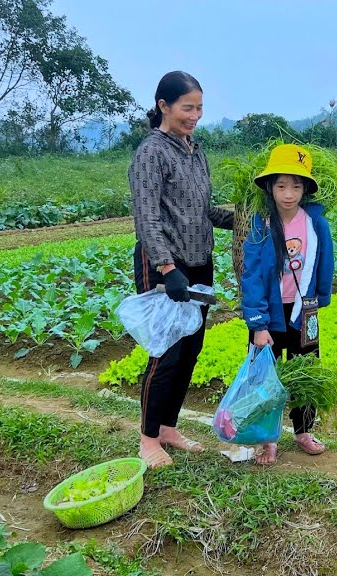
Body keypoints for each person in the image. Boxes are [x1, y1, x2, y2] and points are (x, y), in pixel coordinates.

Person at [128, 70, 233, 468]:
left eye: (200, 108)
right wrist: (167, 267)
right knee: (166, 352)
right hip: (165, 266)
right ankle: (148, 439)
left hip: (200, 263)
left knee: (191, 348)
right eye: (188, 107)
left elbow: (202, 212)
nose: (195, 115)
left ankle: (169, 427)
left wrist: (245, 218)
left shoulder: (195, 150)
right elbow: (148, 218)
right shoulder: (151, 153)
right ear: (163, 107)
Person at [239, 143, 335, 465]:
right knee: (265, 377)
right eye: (281, 185)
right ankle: (268, 439)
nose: (288, 193)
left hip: (303, 311)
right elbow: (250, 272)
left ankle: (303, 431)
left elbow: (325, 262)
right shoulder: (261, 223)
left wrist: (320, 299)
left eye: (296, 185)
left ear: (306, 188)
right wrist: (258, 324)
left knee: (306, 370)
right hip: (270, 313)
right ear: (270, 187)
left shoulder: (315, 223)